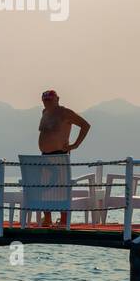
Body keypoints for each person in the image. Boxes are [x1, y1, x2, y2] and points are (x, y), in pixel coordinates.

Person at [37, 89, 91, 227]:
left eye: (49, 99)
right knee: (44, 188)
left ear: (57, 99)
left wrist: (75, 145)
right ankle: (47, 218)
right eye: (44, 100)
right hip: (45, 156)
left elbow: (85, 125)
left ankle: (64, 220)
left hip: (60, 154)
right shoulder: (45, 112)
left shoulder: (65, 113)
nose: (46, 102)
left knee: (61, 188)